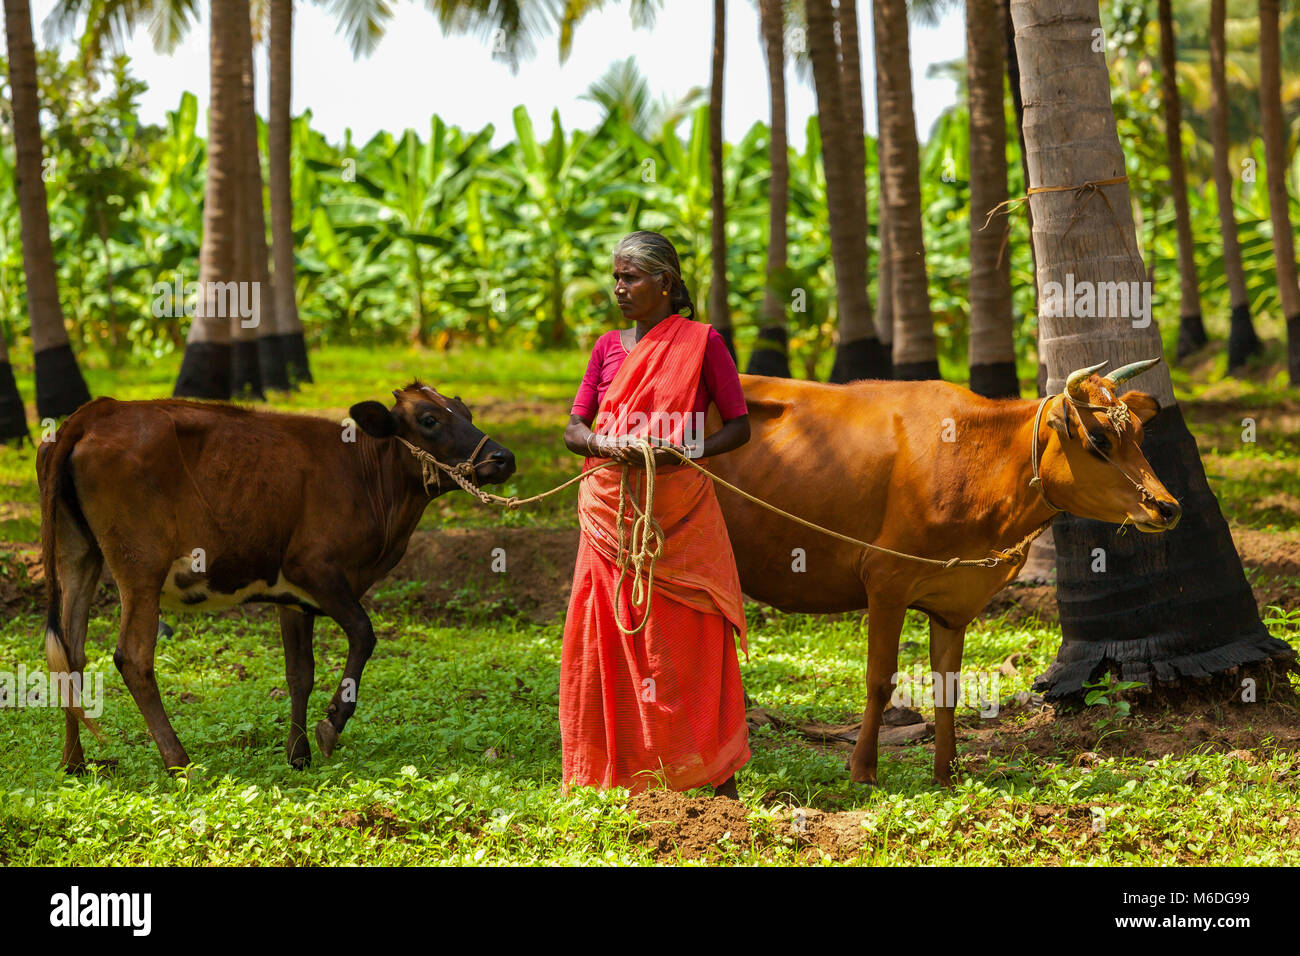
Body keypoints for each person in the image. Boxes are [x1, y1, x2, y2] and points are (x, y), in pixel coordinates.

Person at [560, 230, 752, 799]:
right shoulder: (606, 347)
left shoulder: (704, 342)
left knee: (691, 638)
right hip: (608, 513)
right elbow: (574, 429)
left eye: (631, 277)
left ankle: (717, 777)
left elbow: (738, 426)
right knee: (604, 640)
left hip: (680, 513)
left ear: (664, 282)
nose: (619, 288)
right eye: (616, 277)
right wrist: (605, 444)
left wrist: (686, 450)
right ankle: (616, 776)